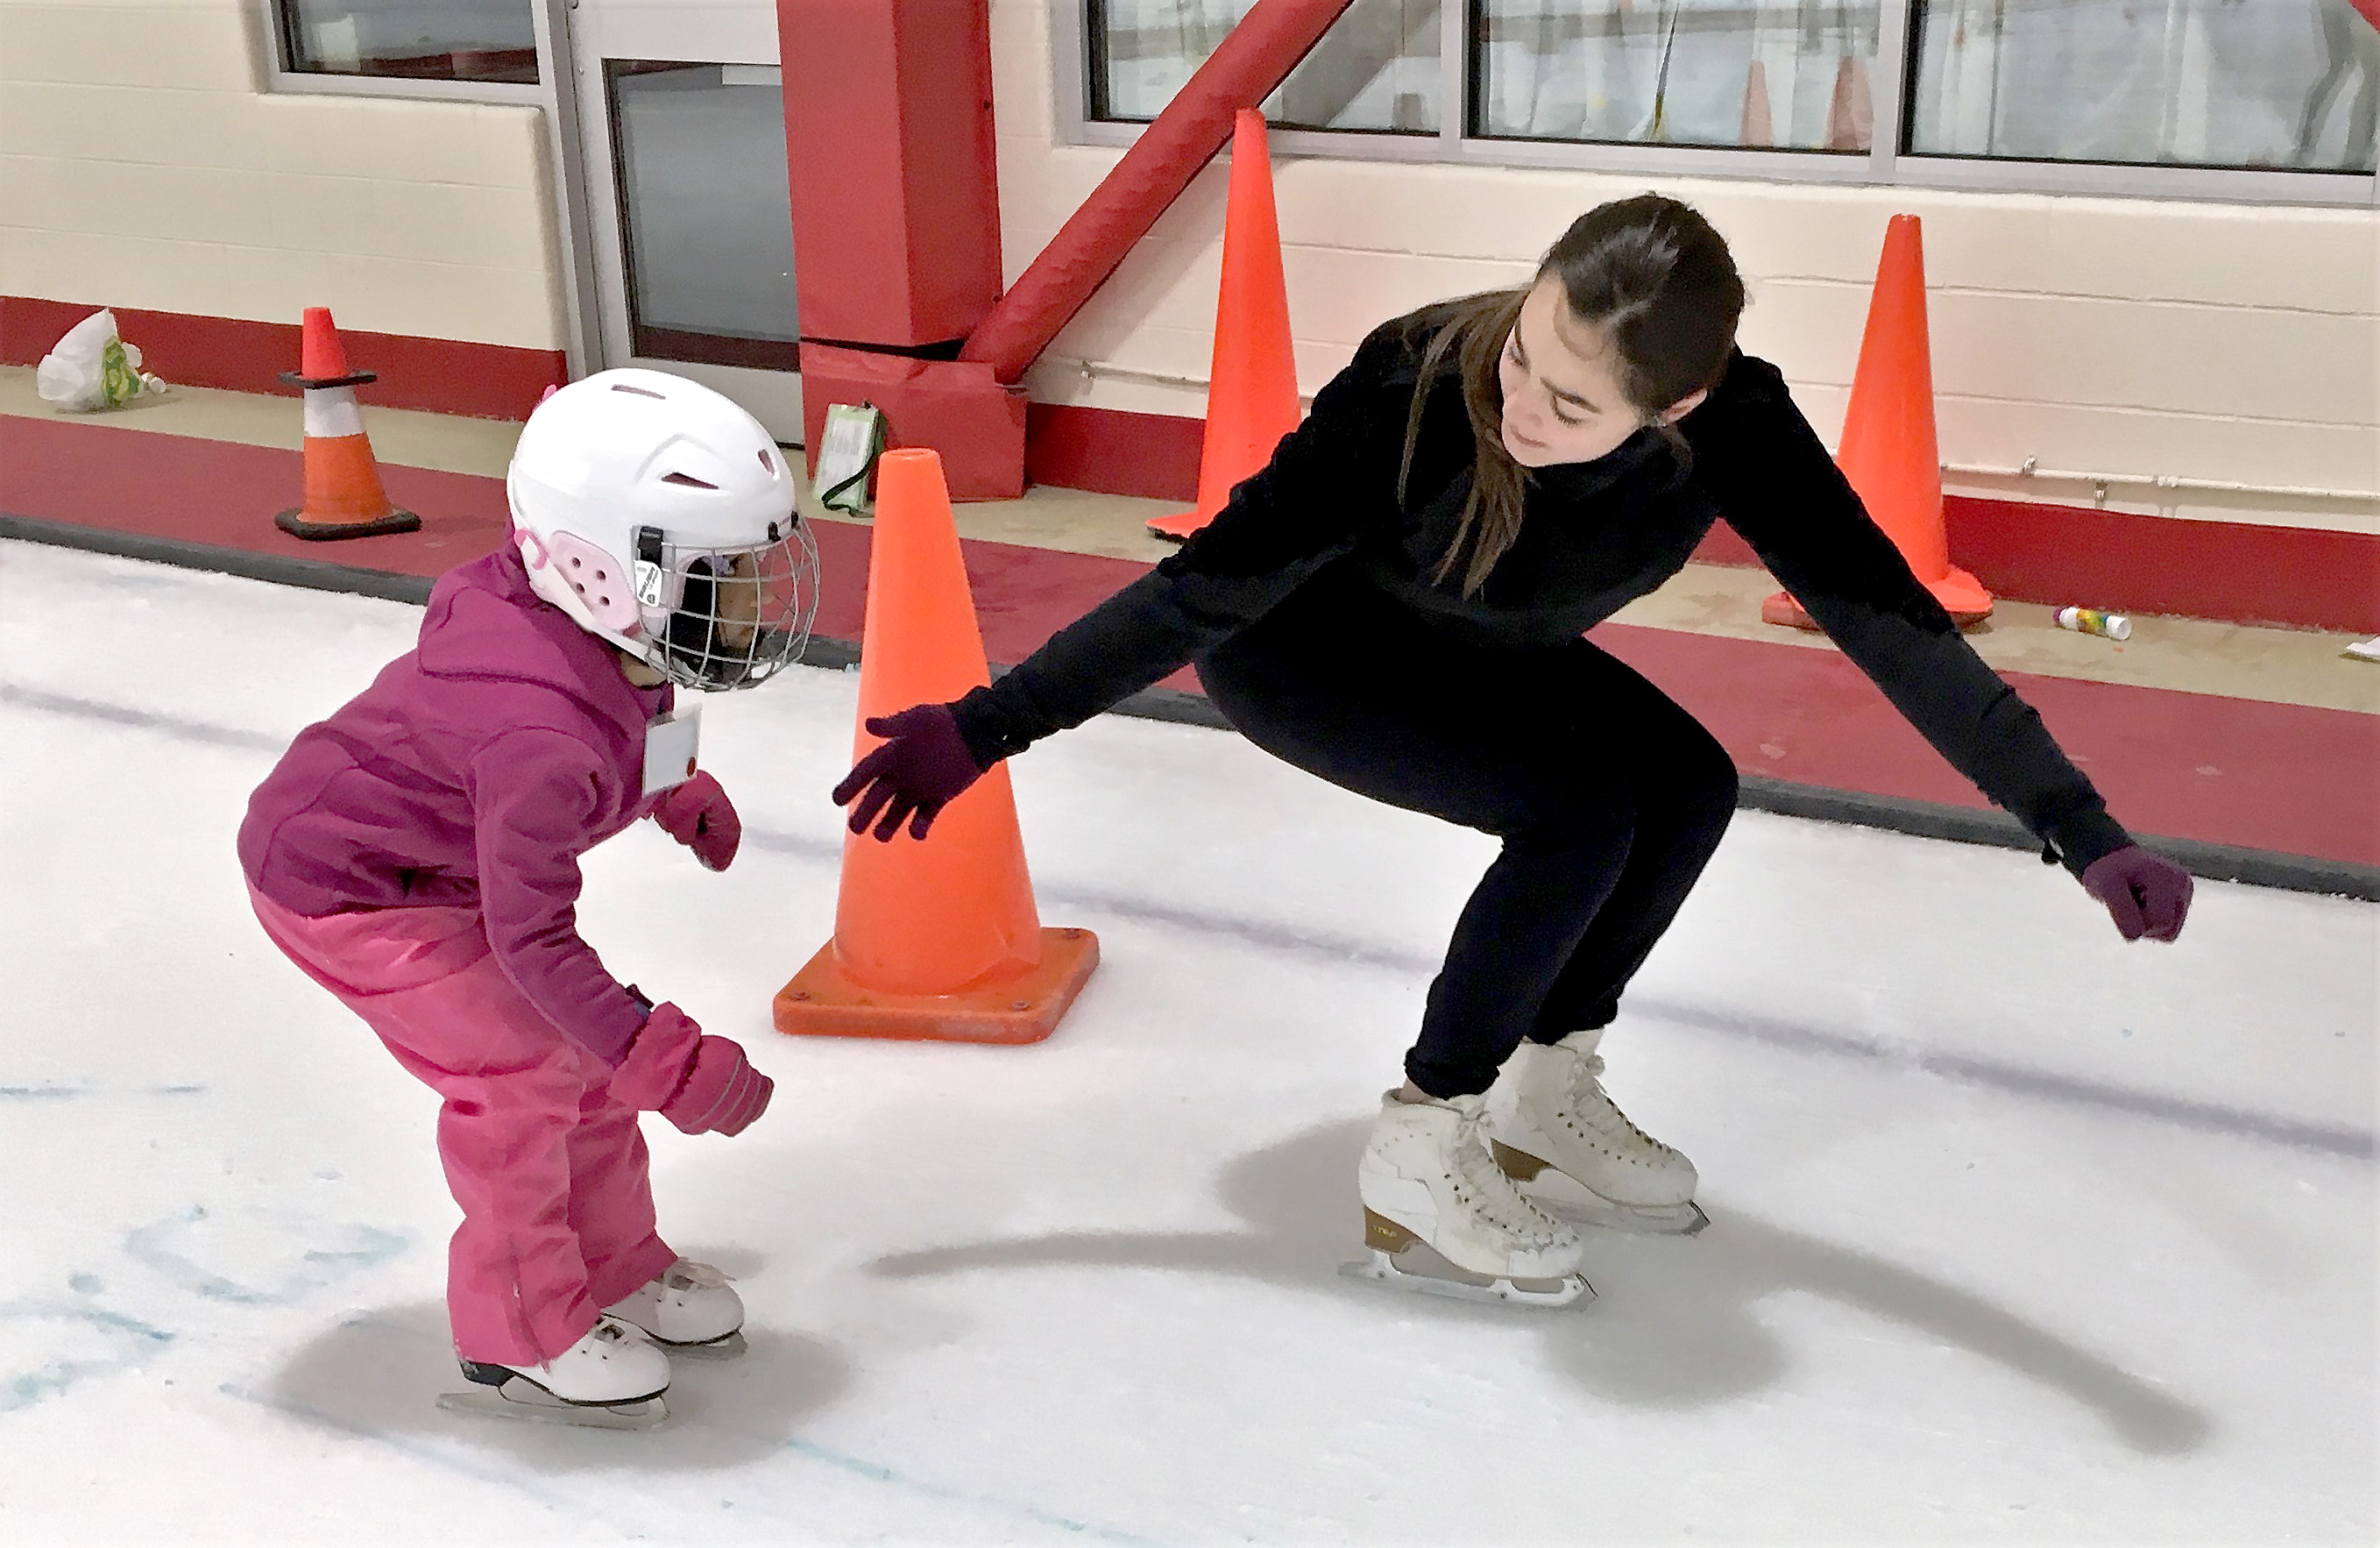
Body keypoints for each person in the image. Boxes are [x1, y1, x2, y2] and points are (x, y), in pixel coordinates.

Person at [832, 195, 2192, 1307]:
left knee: (1693, 784)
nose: (1523, 400)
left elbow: (1900, 634)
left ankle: (1551, 1079)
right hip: (1299, 648)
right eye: (1530, 352)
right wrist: (990, 722)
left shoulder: (1741, 430)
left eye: (1571, 405)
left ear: (1676, 408)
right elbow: (1208, 587)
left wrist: (2080, 823)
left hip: (1479, 646)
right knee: (1580, 811)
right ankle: (1429, 1132)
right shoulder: (1418, 380)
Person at [241, 369, 819, 1420]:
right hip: (351, 887)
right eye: (720, 577)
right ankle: (520, 1321)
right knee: (523, 1069)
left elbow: (610, 714)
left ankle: (616, 1261)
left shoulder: (575, 620)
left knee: (574, 1054)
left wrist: (665, 781)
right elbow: (535, 939)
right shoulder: (536, 738)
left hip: (435, 861)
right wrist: (668, 1058)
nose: (751, 603)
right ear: (603, 574)